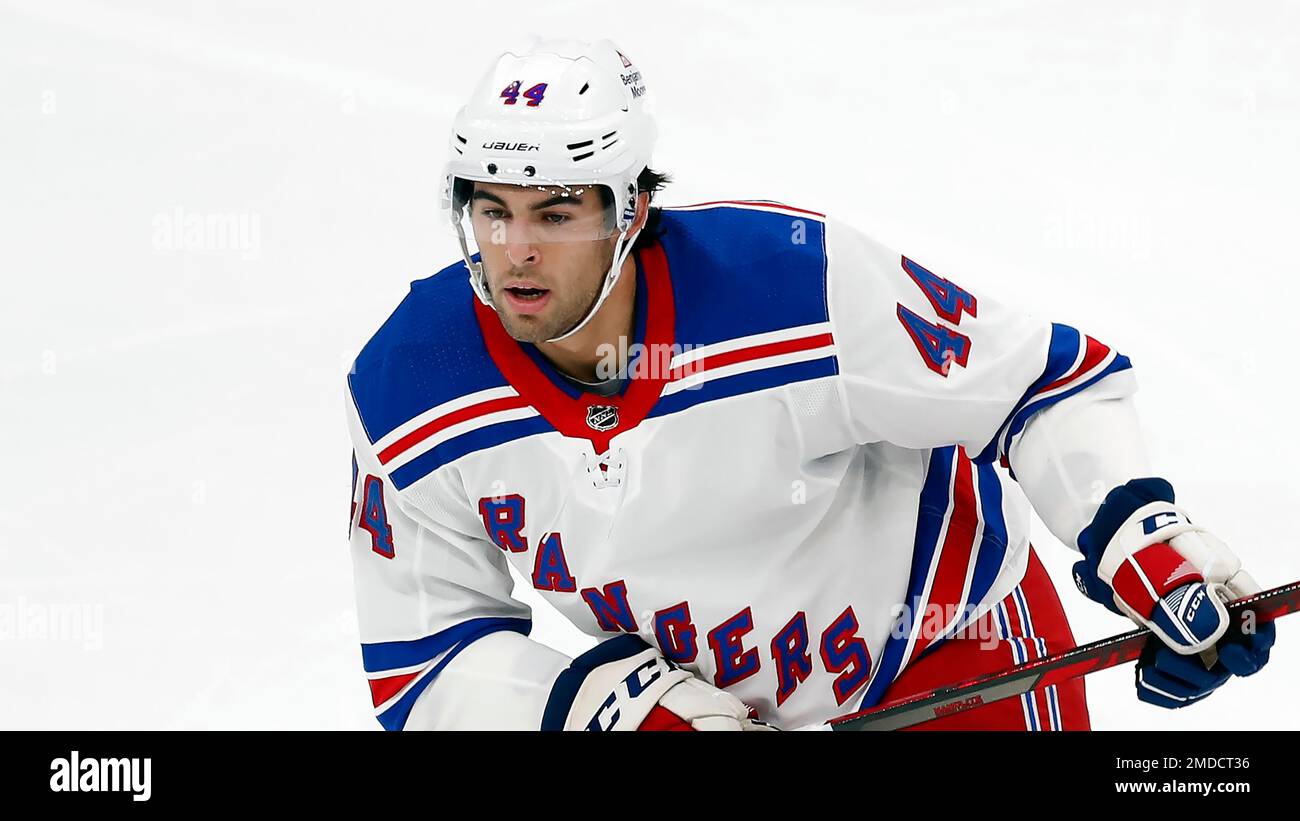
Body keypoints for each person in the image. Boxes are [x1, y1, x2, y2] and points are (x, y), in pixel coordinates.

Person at [344, 37, 1274, 730]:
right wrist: (605, 705)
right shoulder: (407, 387)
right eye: (492, 212)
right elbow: (426, 657)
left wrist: (1138, 535)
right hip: (705, 710)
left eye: (555, 211)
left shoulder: (791, 285)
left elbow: (1040, 383)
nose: (517, 252)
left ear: (631, 213)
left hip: (946, 664)